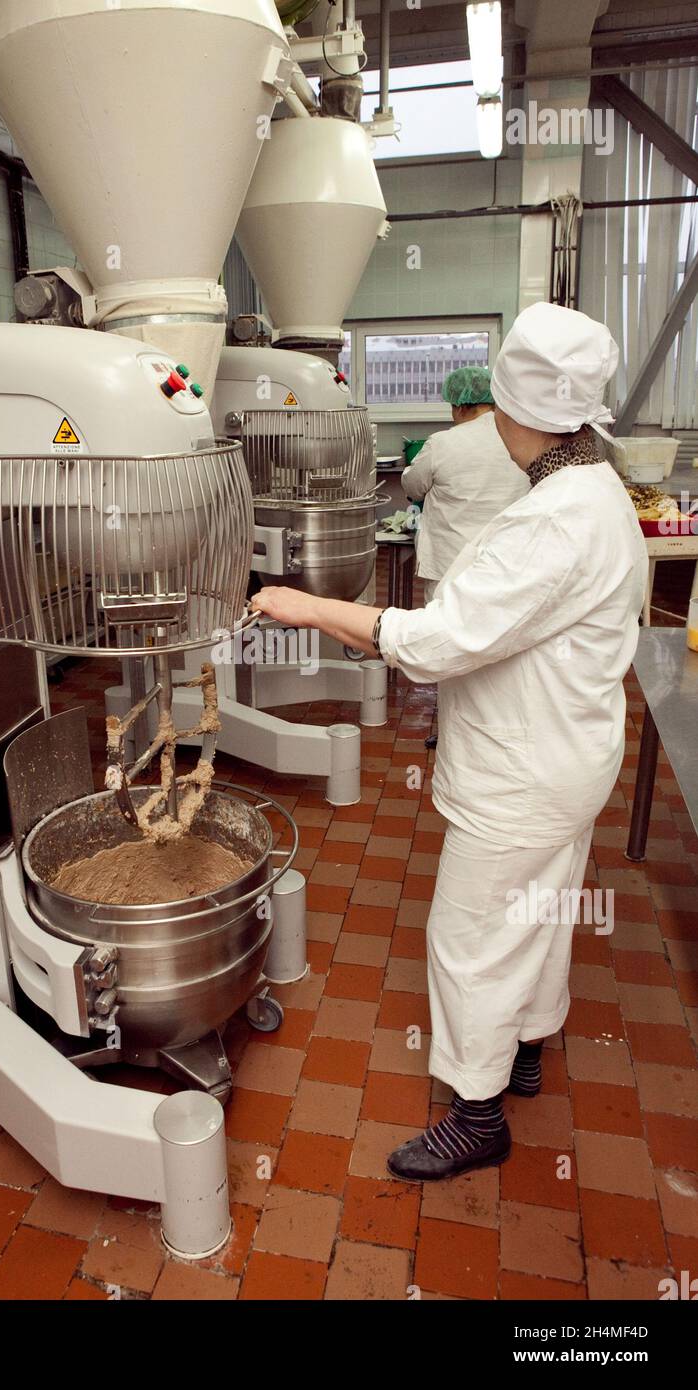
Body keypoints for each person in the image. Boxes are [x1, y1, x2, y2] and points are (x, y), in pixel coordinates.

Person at [251, 302, 648, 1181]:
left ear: (519, 414)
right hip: (572, 758)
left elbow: (436, 644)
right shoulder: (598, 491)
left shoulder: (554, 520)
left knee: (471, 936)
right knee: (543, 914)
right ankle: (528, 1048)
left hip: (522, 771)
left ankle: (477, 1114)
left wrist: (306, 606)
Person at [403, 366, 528, 605]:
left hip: (450, 562)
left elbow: (412, 487)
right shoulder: (521, 439)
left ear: (459, 406)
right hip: (506, 559)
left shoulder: (442, 443)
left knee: (445, 629)